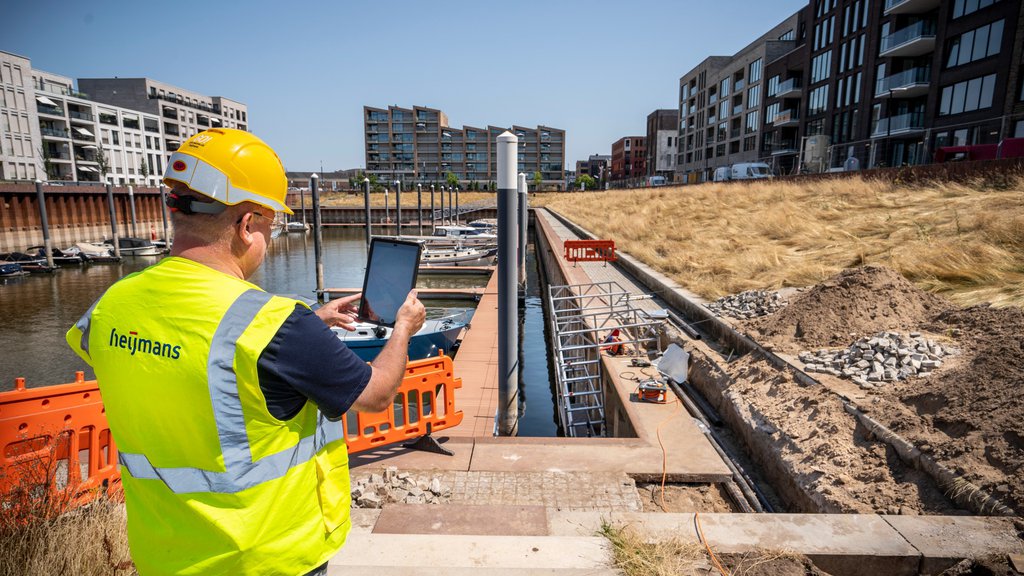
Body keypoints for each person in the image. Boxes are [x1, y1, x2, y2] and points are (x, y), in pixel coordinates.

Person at [66, 128, 425, 575]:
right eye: (270, 227)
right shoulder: (273, 322)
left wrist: (308, 328)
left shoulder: (111, 306)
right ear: (247, 225)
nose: (268, 240)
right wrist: (404, 328)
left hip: (164, 552)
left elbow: (189, 354)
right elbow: (375, 395)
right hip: (264, 556)